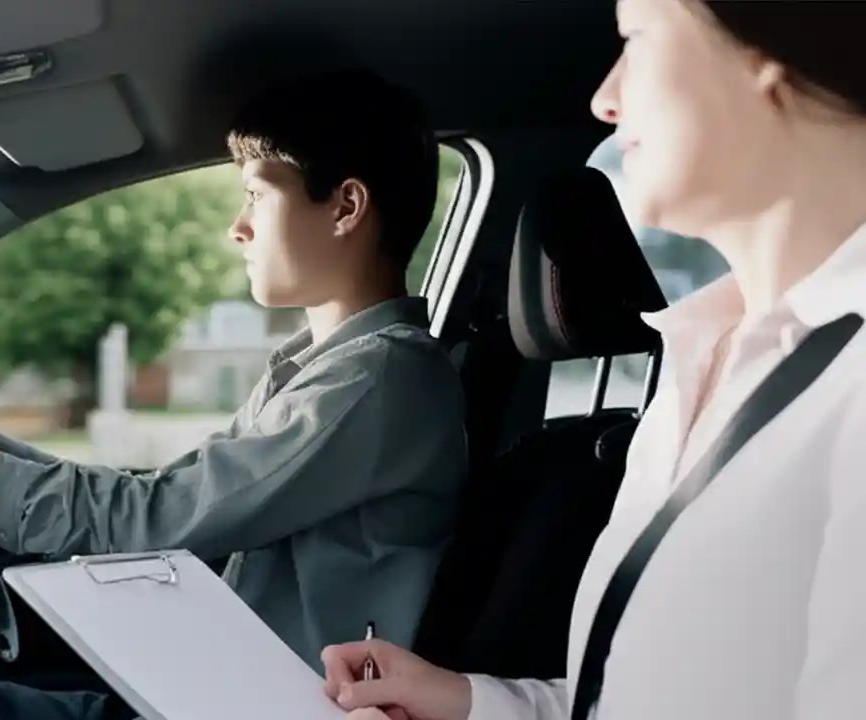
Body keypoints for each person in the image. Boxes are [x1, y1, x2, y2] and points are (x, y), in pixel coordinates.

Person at [0, 69, 468, 720]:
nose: (239, 226)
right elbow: (173, 497)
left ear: (345, 206)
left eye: (258, 195)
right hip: (201, 694)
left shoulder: (375, 382)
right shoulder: (326, 367)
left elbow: (156, 523)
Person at [321, 1, 866, 718]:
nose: (604, 99)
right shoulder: (700, 359)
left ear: (763, 42)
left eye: (634, 39)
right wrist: (465, 703)